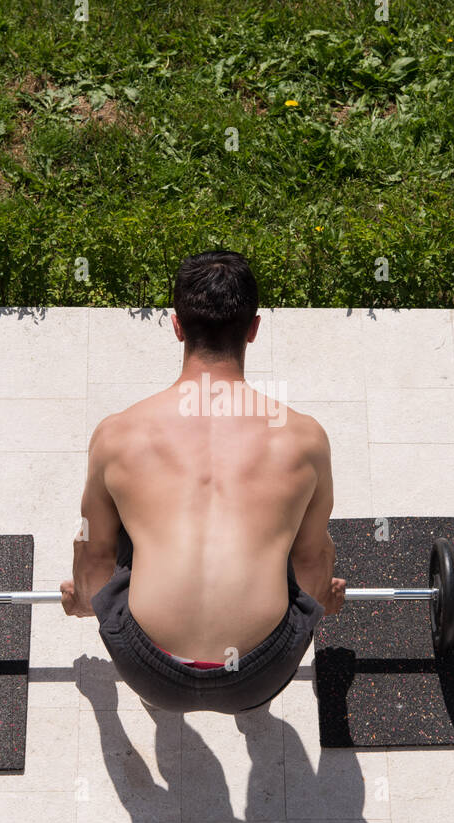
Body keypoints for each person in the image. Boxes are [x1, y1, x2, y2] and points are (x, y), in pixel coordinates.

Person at [59, 250, 346, 712]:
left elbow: (95, 562)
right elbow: (312, 567)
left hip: (150, 671)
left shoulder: (117, 435)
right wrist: (318, 608)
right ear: (253, 330)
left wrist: (84, 603)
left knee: (107, 532)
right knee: (307, 539)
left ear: (176, 326)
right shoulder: (304, 438)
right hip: (257, 675)